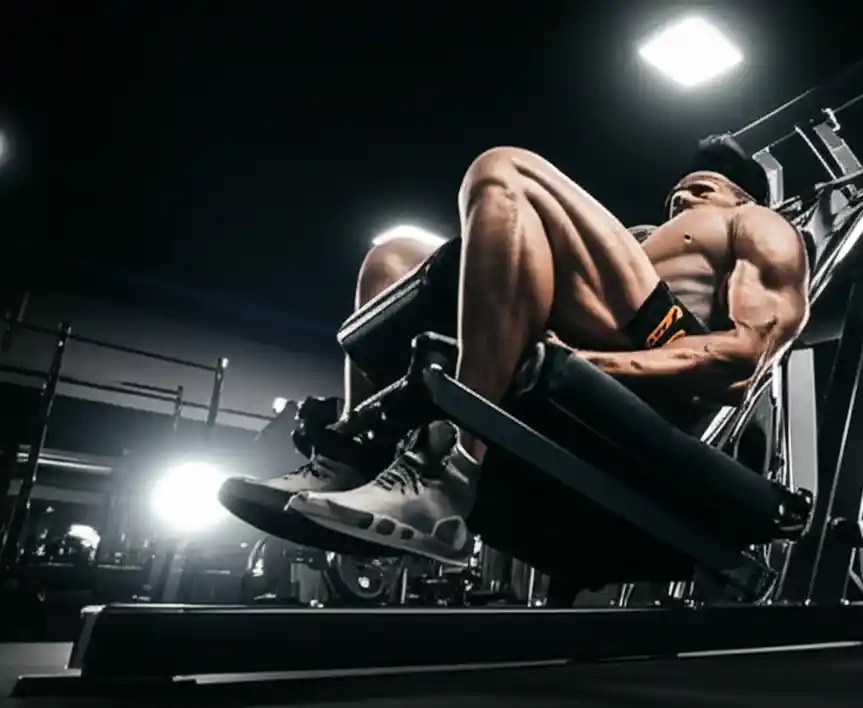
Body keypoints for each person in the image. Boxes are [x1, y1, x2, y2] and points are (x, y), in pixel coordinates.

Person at [229, 136, 810, 566]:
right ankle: (356, 459)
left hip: (662, 358)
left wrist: (589, 365)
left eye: (702, 189)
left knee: (504, 168)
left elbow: (744, 358)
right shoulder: (635, 240)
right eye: (676, 192)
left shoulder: (756, 222)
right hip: (573, 336)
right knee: (393, 258)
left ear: (741, 195)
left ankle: (448, 471)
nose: (681, 196)